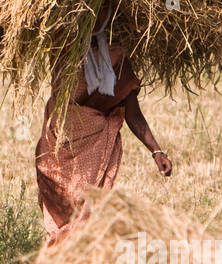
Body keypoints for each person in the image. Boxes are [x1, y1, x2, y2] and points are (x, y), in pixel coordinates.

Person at [34, 19, 172, 246]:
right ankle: (62, 257)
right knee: (60, 205)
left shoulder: (118, 61)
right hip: (59, 144)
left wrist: (157, 151)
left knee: (86, 209)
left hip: (94, 151)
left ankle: (76, 258)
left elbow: (133, 113)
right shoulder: (66, 51)